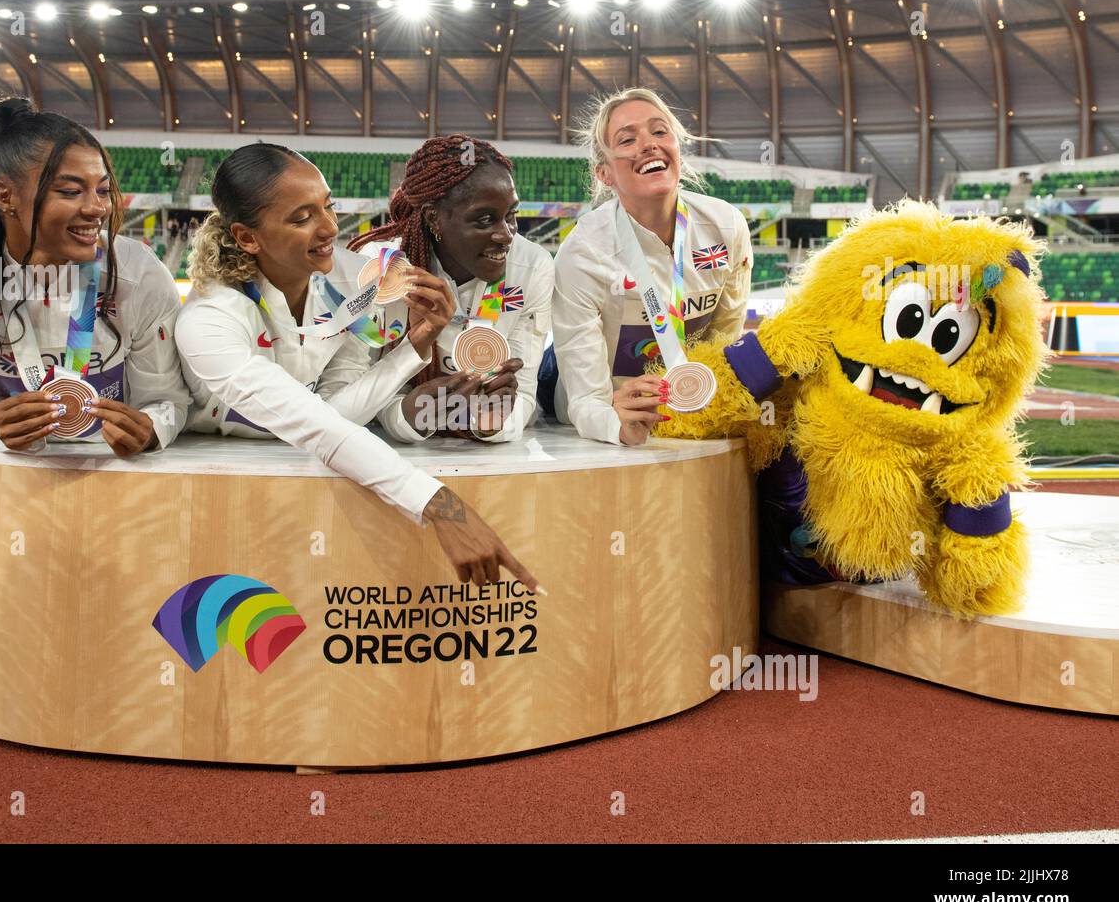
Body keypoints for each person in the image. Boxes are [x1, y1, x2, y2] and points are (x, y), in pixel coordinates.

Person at [177, 143, 538, 589]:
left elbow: (334, 416)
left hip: (319, 463)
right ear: (247, 237)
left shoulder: (354, 278)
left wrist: (414, 346)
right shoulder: (209, 319)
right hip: (222, 495)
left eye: (328, 207)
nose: (330, 227)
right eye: (302, 217)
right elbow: (312, 424)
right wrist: (441, 505)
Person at [0, 95, 189, 457]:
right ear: (6, 196)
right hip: (17, 479)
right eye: (70, 191)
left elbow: (167, 400)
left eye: (102, 190)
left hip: (120, 470)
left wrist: (150, 430)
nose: (97, 208)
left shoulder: (138, 272)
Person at [549, 87, 753, 446]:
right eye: (627, 140)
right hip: (582, 391)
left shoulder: (726, 226)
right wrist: (616, 423)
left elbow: (723, 346)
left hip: (680, 400)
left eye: (660, 132)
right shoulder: (583, 253)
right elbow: (584, 400)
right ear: (604, 174)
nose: (649, 144)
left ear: (677, 149)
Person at [348, 134, 552, 442]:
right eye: (484, 220)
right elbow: (353, 395)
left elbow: (522, 391)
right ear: (434, 218)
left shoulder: (533, 267)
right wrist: (408, 416)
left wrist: (490, 423)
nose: (506, 235)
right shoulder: (378, 271)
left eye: (511, 216)